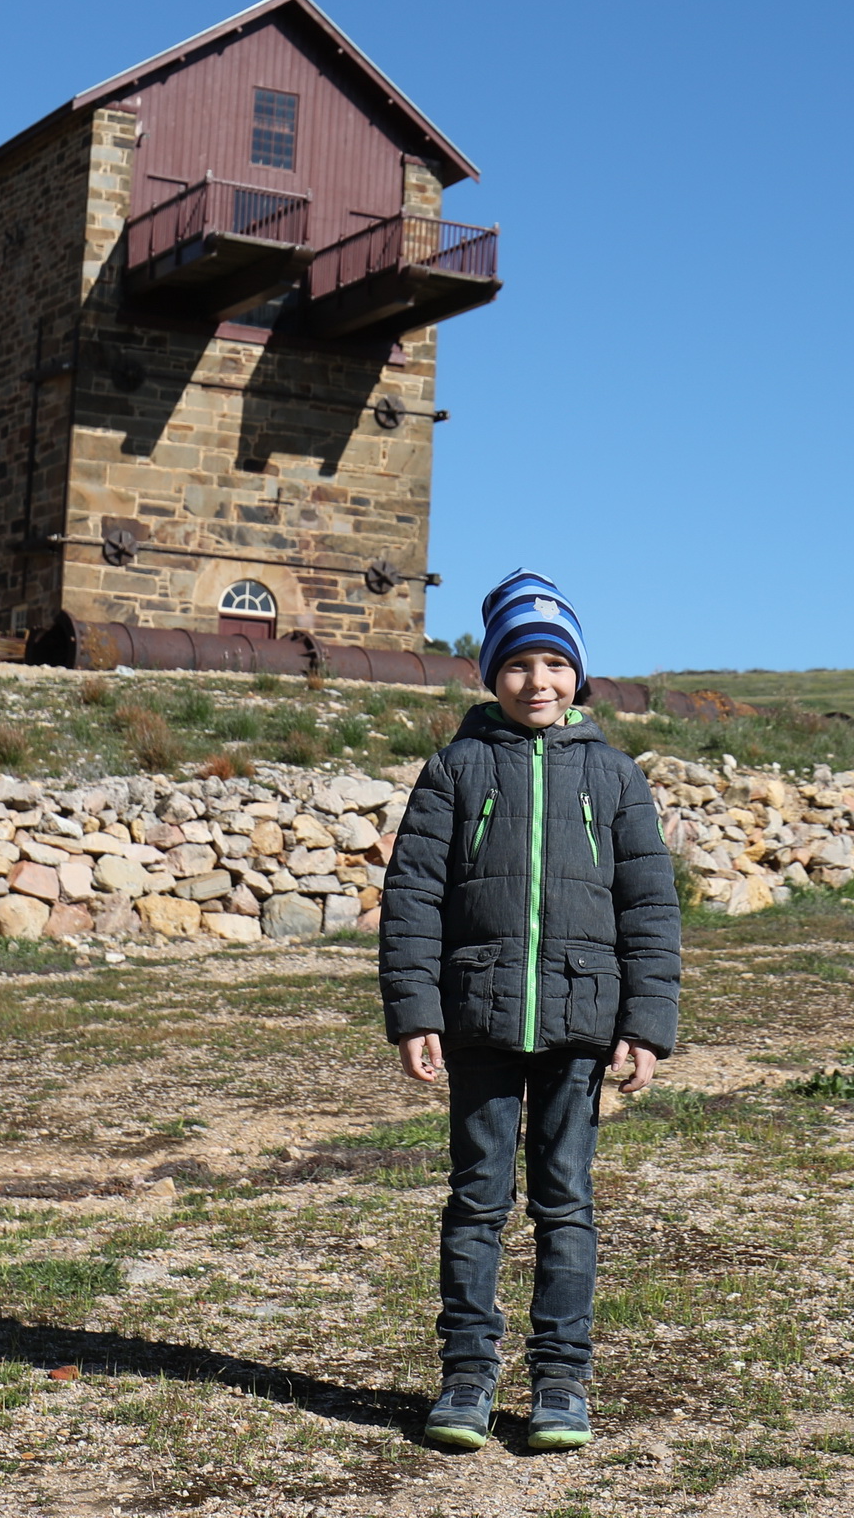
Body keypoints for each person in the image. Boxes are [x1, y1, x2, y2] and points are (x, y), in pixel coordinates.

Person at [377, 569, 681, 1453]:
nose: (537, 681)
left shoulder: (616, 776)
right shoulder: (455, 769)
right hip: (476, 1016)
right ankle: (467, 1377)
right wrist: (415, 1011)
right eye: (518, 664)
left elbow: (650, 908)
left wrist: (646, 1022)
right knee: (476, 1201)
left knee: (565, 1201)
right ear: (491, 674)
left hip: (583, 1024)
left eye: (555, 663)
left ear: (578, 677)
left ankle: (561, 1383)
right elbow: (413, 898)